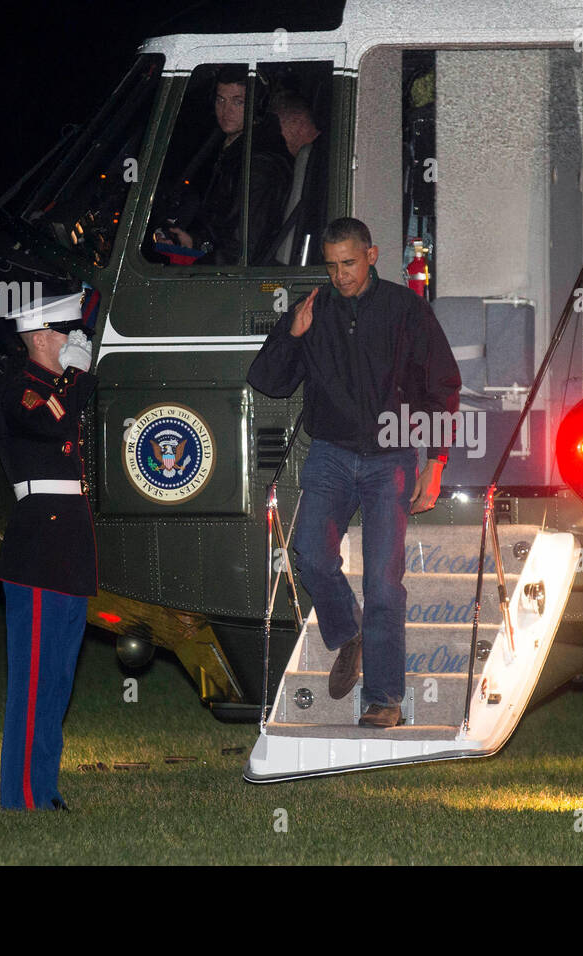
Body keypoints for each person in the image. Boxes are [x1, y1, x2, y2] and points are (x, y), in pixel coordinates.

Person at [246, 217, 461, 728]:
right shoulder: (312, 311)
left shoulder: (405, 309)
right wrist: (291, 336)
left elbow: (441, 386)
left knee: (385, 583)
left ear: (371, 255)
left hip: (392, 456)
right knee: (311, 555)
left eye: (349, 263)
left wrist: (436, 462)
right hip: (330, 454)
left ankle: (384, 701)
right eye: (331, 265)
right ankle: (349, 634)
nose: (340, 275)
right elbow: (267, 382)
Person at [0, 291, 97, 810]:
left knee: (56, 679)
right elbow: (51, 422)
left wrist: (76, 376)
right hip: (38, 547)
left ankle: (44, 790)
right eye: (63, 332)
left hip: (68, 546)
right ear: (37, 337)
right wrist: (73, 376)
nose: (72, 339)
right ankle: (21, 796)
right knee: (32, 682)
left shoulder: (57, 385)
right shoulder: (22, 390)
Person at [164, 66, 291, 266]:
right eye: (220, 100)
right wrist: (193, 242)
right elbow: (223, 224)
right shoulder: (235, 151)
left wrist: (192, 266)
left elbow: (243, 252)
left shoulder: (259, 164)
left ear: (257, 106)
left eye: (238, 102)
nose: (226, 111)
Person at [269, 90, 328, 265]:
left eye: (279, 128)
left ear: (298, 123)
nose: (275, 138)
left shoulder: (316, 163)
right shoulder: (316, 159)